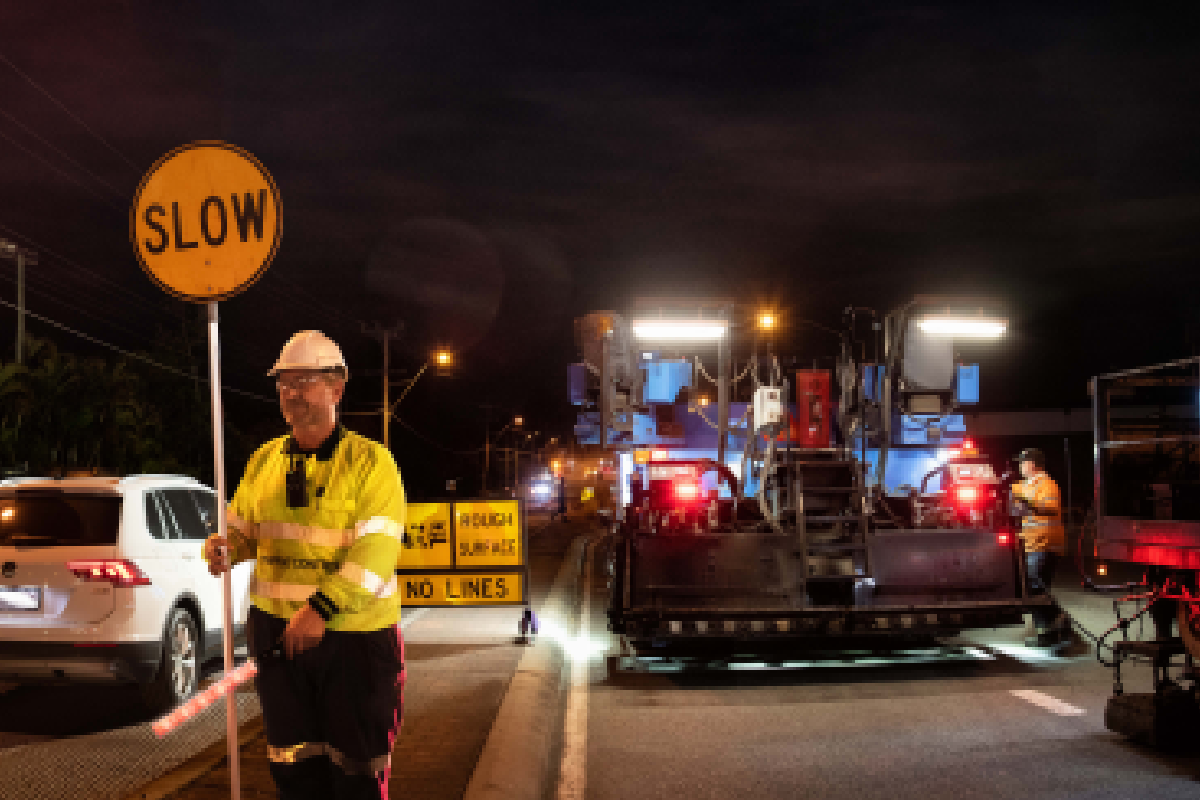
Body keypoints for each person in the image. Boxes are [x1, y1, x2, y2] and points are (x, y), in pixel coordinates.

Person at [203, 330, 406, 800]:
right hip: (278, 638)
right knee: (292, 763)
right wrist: (222, 549)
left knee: (357, 769)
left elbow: (373, 556)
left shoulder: (372, 464)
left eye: (305, 382)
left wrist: (320, 609)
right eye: (284, 384)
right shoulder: (263, 462)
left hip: (354, 639)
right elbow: (243, 534)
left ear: (336, 389)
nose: (292, 393)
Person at [1011, 447, 1066, 647]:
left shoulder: (1047, 485)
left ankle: (1054, 626)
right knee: (1035, 589)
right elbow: (1016, 494)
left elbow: (1049, 508)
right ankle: (1051, 629)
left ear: (1032, 464)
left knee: (1036, 589)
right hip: (1034, 544)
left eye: (1022, 463)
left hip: (1044, 544)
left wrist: (1027, 503)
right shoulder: (1029, 484)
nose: (1020, 467)